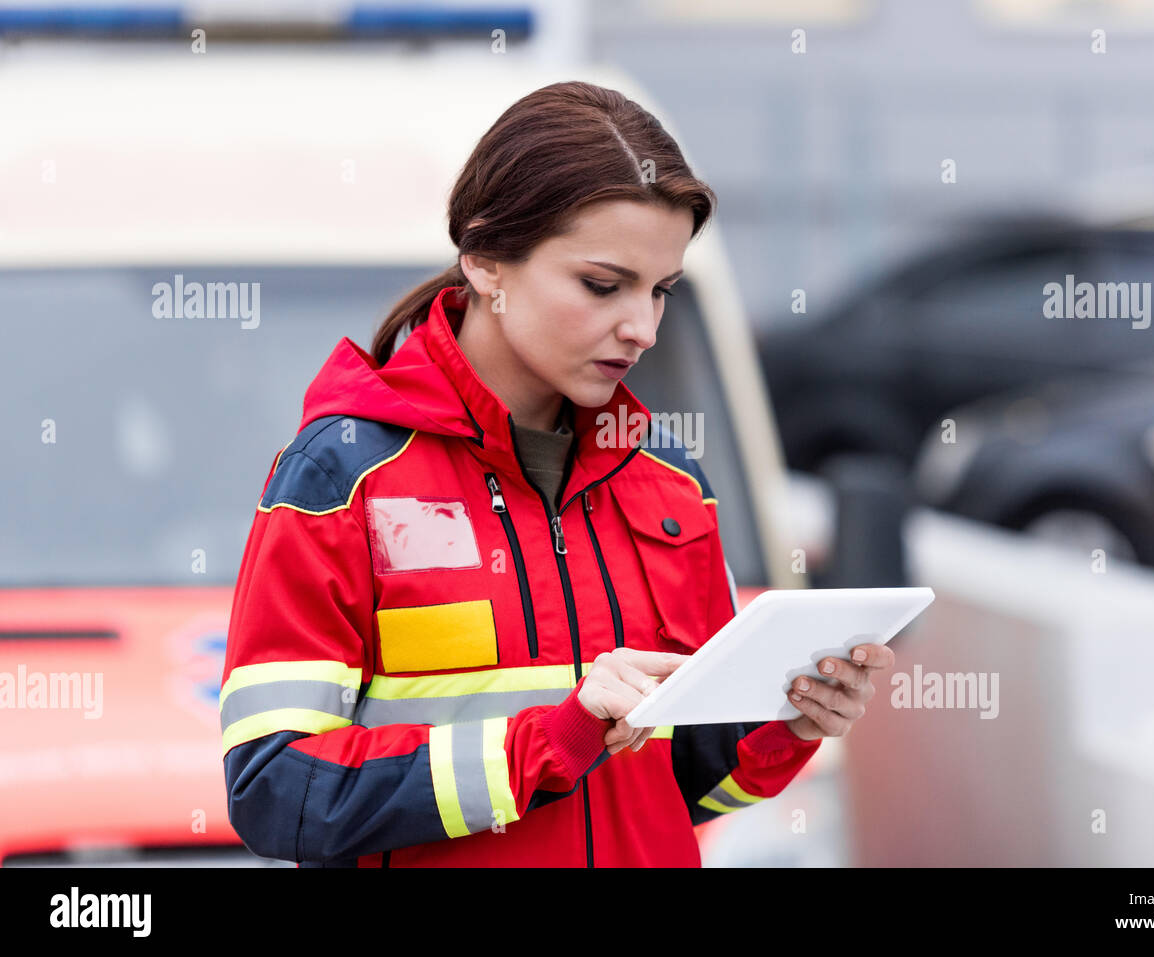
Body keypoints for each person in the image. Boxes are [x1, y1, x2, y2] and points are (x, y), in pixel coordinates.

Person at [219, 80, 894, 867]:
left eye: (661, 290)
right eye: (603, 286)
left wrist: (790, 721)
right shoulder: (343, 474)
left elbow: (673, 784)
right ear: (483, 260)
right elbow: (275, 793)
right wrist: (547, 741)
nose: (641, 327)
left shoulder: (672, 481)